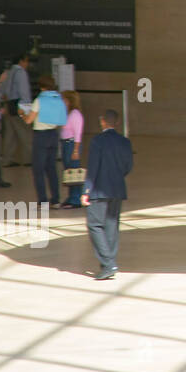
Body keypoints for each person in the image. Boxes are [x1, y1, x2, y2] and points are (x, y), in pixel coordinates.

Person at [81, 110, 132, 280]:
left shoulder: (97, 141)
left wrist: (86, 190)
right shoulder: (125, 142)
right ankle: (108, 264)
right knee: (111, 226)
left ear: (103, 122)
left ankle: (109, 264)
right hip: (117, 189)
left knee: (94, 225)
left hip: (99, 190)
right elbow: (128, 166)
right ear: (116, 123)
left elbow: (93, 168)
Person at [23, 76, 67, 206]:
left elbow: (29, 120)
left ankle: (43, 200)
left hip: (40, 136)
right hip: (53, 135)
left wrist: (21, 113)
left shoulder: (39, 100)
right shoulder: (59, 100)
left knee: (38, 169)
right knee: (51, 168)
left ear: (42, 87)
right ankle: (56, 199)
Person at [0, 54, 33, 168]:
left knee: (10, 134)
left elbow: (2, 89)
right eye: (27, 61)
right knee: (25, 132)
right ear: (21, 61)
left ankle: (7, 159)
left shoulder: (8, 71)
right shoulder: (21, 72)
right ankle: (29, 158)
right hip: (18, 106)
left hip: (8, 105)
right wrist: (27, 109)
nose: (27, 64)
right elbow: (24, 92)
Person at [59, 90, 85, 208]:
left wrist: (75, 150)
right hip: (66, 144)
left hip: (71, 145)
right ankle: (71, 197)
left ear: (69, 101)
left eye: (64, 99)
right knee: (69, 172)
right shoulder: (69, 113)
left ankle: (75, 199)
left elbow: (78, 134)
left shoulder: (75, 115)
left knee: (74, 171)